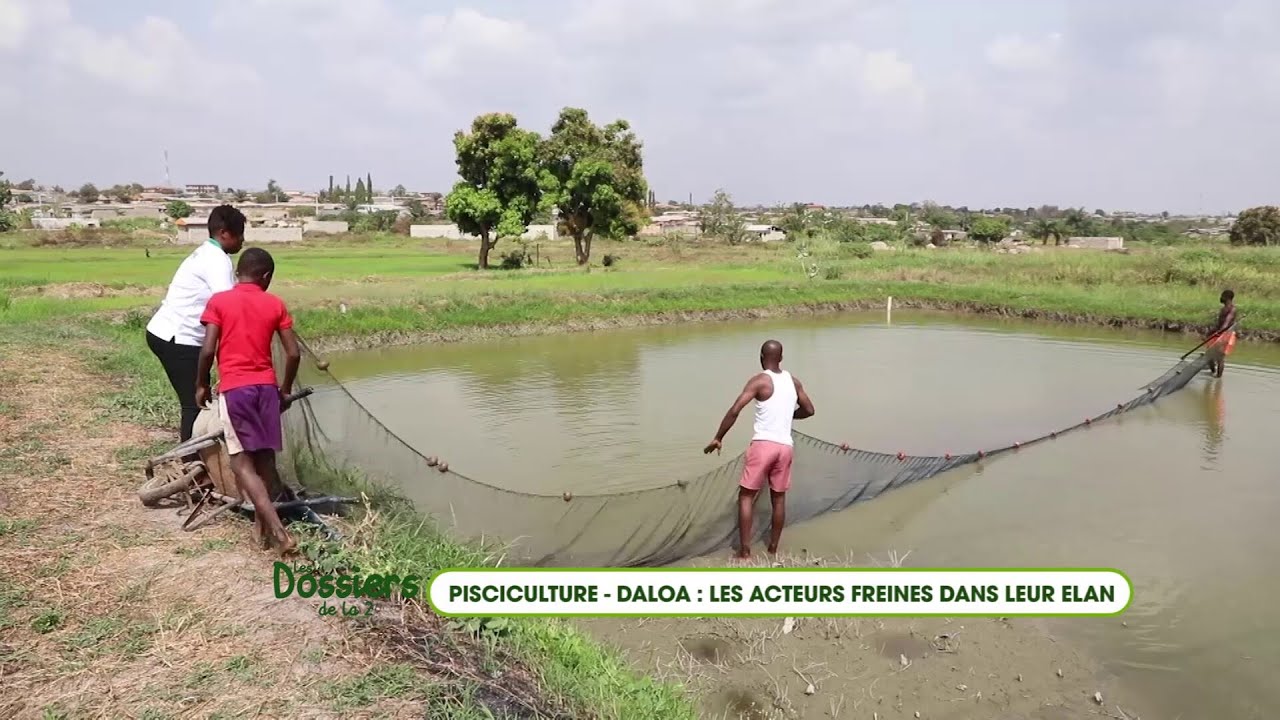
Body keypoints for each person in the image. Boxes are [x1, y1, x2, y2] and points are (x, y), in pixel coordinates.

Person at [195, 247, 301, 555]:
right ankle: (261, 532)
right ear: (265, 276)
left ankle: (280, 534)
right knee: (265, 461)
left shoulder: (220, 301)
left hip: (236, 390)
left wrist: (201, 384)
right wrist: (284, 390)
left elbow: (207, 350)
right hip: (266, 389)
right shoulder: (274, 303)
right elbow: (293, 353)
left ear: (239, 272)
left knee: (241, 464)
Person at [704, 340, 815, 560]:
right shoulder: (793, 382)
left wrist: (718, 437)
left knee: (746, 497)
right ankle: (773, 549)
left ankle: (745, 553)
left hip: (764, 445)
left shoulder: (760, 381)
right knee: (779, 499)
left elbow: (735, 409)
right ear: (781, 358)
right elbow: (809, 410)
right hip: (785, 447)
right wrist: (787, 415)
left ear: (761, 357)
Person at [145, 205, 245, 441]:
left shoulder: (207, 253)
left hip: (167, 331)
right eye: (239, 234)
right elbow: (227, 308)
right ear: (224, 233)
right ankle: (191, 465)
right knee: (195, 404)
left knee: (200, 399)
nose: (242, 241)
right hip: (178, 338)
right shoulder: (217, 260)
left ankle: (199, 459)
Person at [1206, 289, 1237, 378]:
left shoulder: (1232, 309)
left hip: (1226, 334)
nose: (1220, 298)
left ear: (1227, 298)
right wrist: (1210, 332)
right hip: (1219, 333)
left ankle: (1218, 378)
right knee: (1209, 356)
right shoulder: (1223, 309)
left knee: (1220, 357)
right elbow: (1219, 324)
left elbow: (1226, 323)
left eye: (1222, 296)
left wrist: (1220, 331)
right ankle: (1212, 373)